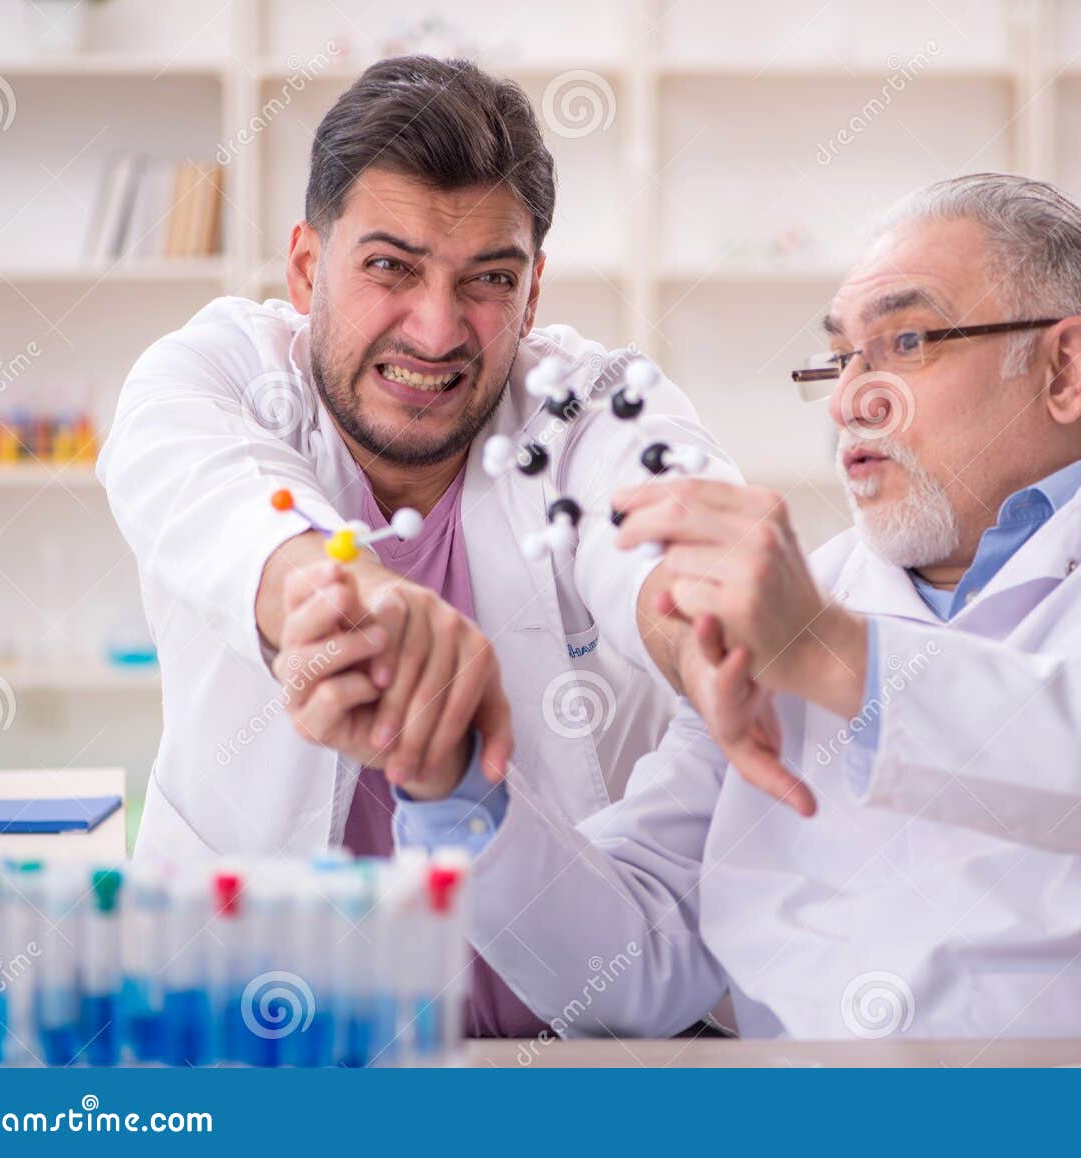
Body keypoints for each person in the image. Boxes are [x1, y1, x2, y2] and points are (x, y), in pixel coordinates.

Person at [356, 172, 1081, 1041]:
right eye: (841, 355)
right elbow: (633, 968)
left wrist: (831, 655)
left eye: (904, 344)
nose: (854, 394)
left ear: (1064, 367)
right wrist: (452, 787)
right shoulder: (806, 604)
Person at [99, 56, 734, 862]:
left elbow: (671, 538)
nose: (436, 332)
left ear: (532, 295)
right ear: (305, 269)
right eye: (390, 268)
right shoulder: (213, 374)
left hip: (568, 987)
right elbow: (222, 503)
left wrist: (718, 639)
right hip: (249, 973)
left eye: (487, 280)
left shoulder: (589, 409)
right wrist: (354, 606)